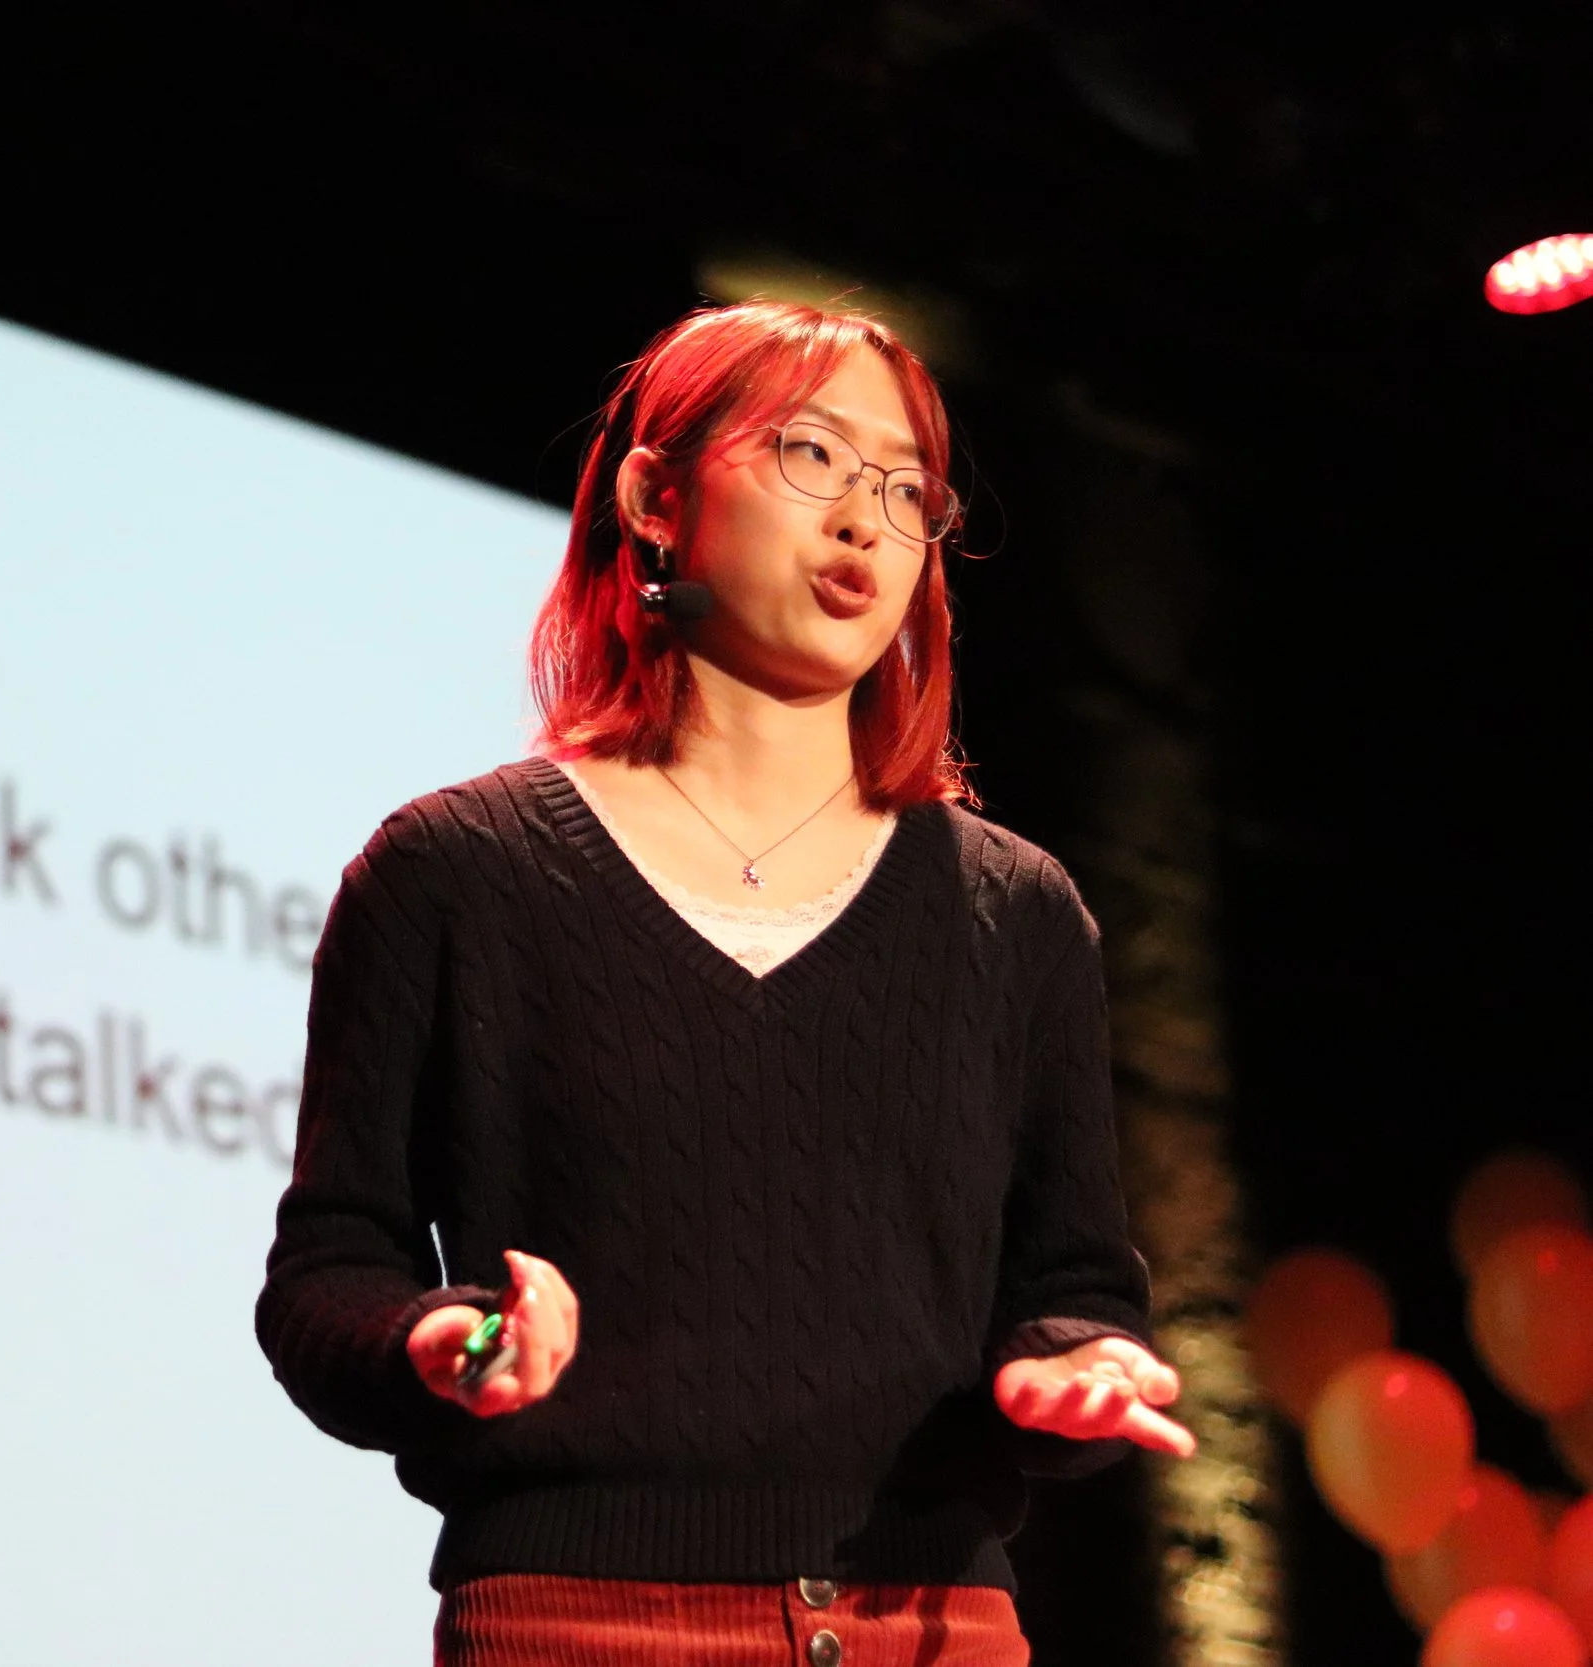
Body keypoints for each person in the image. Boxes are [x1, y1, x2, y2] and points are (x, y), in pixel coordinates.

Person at [254, 298, 1196, 1666]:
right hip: (583, 1624)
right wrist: (441, 1341)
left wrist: (1078, 1367)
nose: (865, 521)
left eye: (909, 491)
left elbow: (1073, 1282)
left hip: (934, 1626)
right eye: (813, 456)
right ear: (656, 499)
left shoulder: (1016, 910)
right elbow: (330, 1273)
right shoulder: (454, 873)